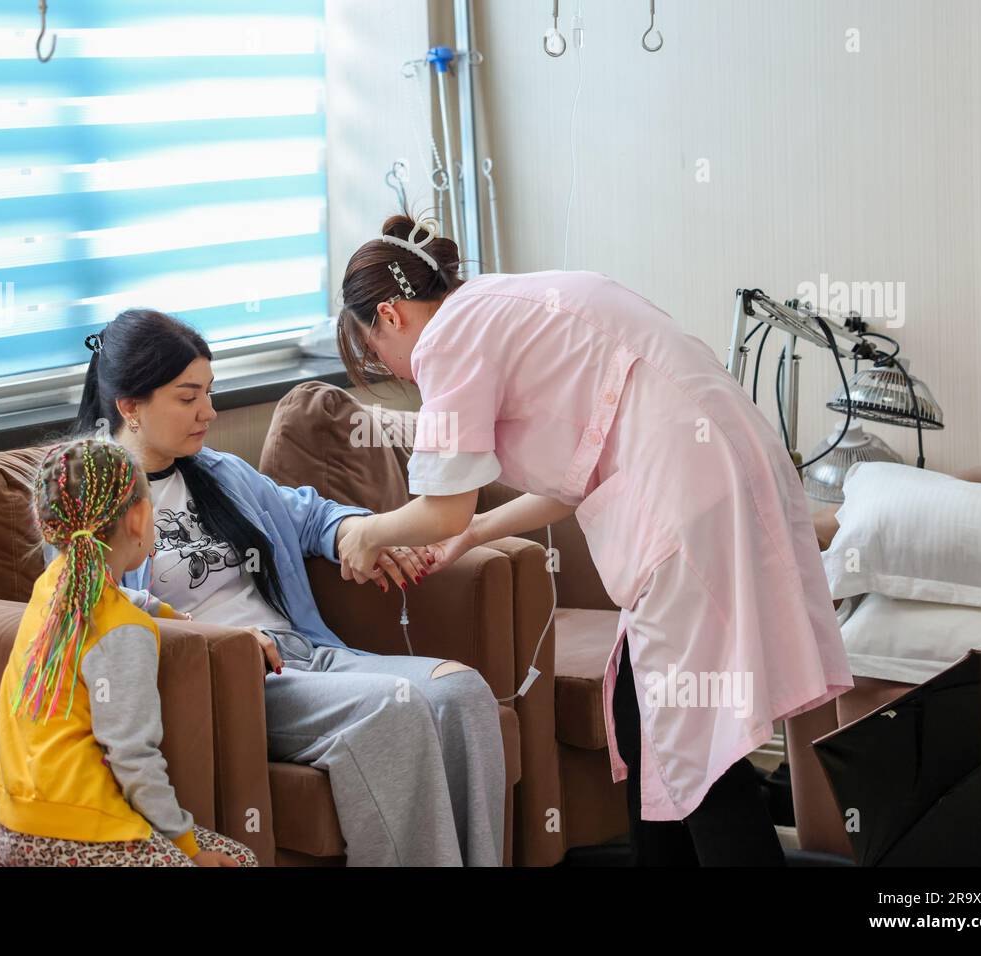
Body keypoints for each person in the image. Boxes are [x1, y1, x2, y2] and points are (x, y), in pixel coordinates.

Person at [333, 214, 854, 866]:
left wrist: (365, 532)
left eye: (373, 352)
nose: (394, 371)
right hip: (726, 471)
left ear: (388, 314)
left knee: (695, 751)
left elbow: (441, 506)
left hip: (685, 497)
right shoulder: (510, 303)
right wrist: (471, 535)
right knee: (645, 720)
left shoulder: (449, 338)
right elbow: (570, 473)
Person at [56, 308, 506, 866]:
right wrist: (215, 641)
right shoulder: (88, 499)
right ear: (129, 406)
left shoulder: (219, 473)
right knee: (394, 709)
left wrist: (355, 532)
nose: (209, 412)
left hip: (305, 654)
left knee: (463, 692)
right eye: (188, 397)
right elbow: (92, 609)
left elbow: (307, 514)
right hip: (233, 679)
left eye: (209, 393)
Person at [0, 437, 256, 866]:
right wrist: (189, 850)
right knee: (237, 860)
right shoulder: (124, 631)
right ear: (138, 518)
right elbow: (134, 757)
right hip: (86, 837)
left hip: (18, 828)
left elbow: (108, 595)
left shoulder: (52, 589)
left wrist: (158, 608)